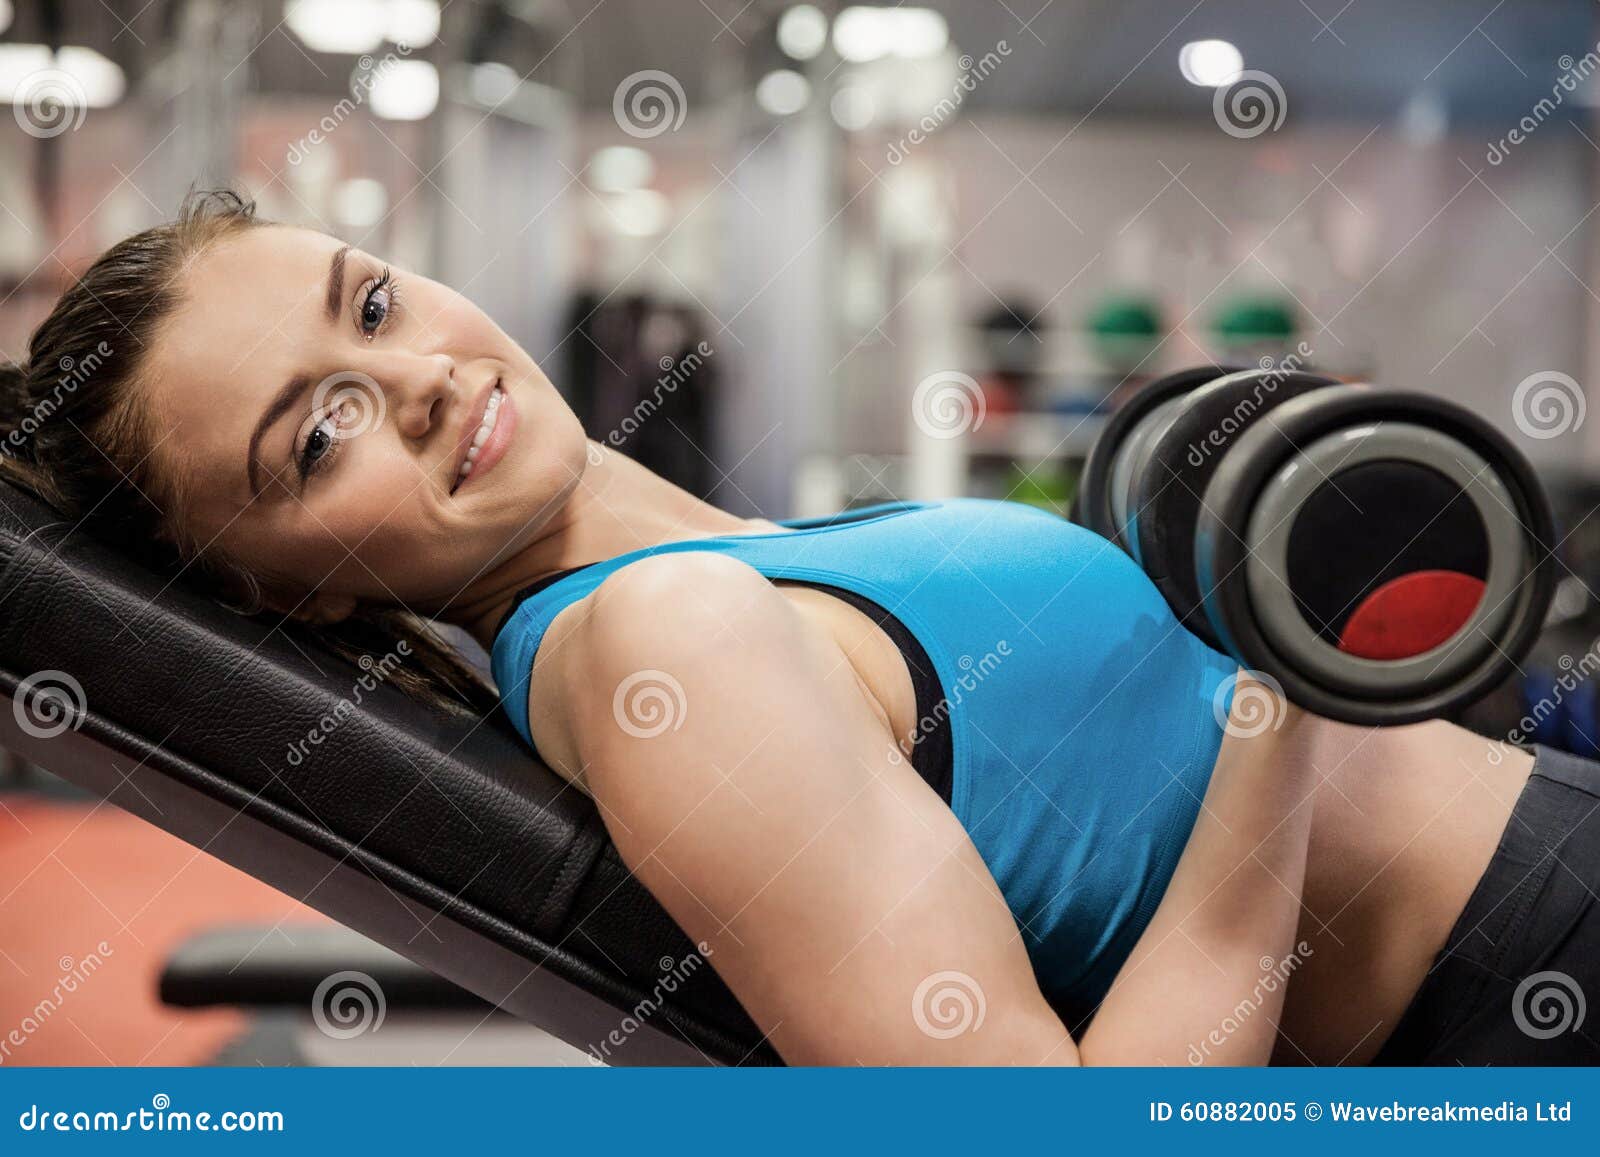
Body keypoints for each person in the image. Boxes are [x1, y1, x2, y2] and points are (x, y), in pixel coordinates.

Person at [2, 192, 1595, 1066]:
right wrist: (1281, 687)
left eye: (370, 303)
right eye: (315, 437)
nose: (413, 377)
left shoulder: (728, 566)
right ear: (289, 593)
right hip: (1520, 982)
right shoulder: (666, 650)